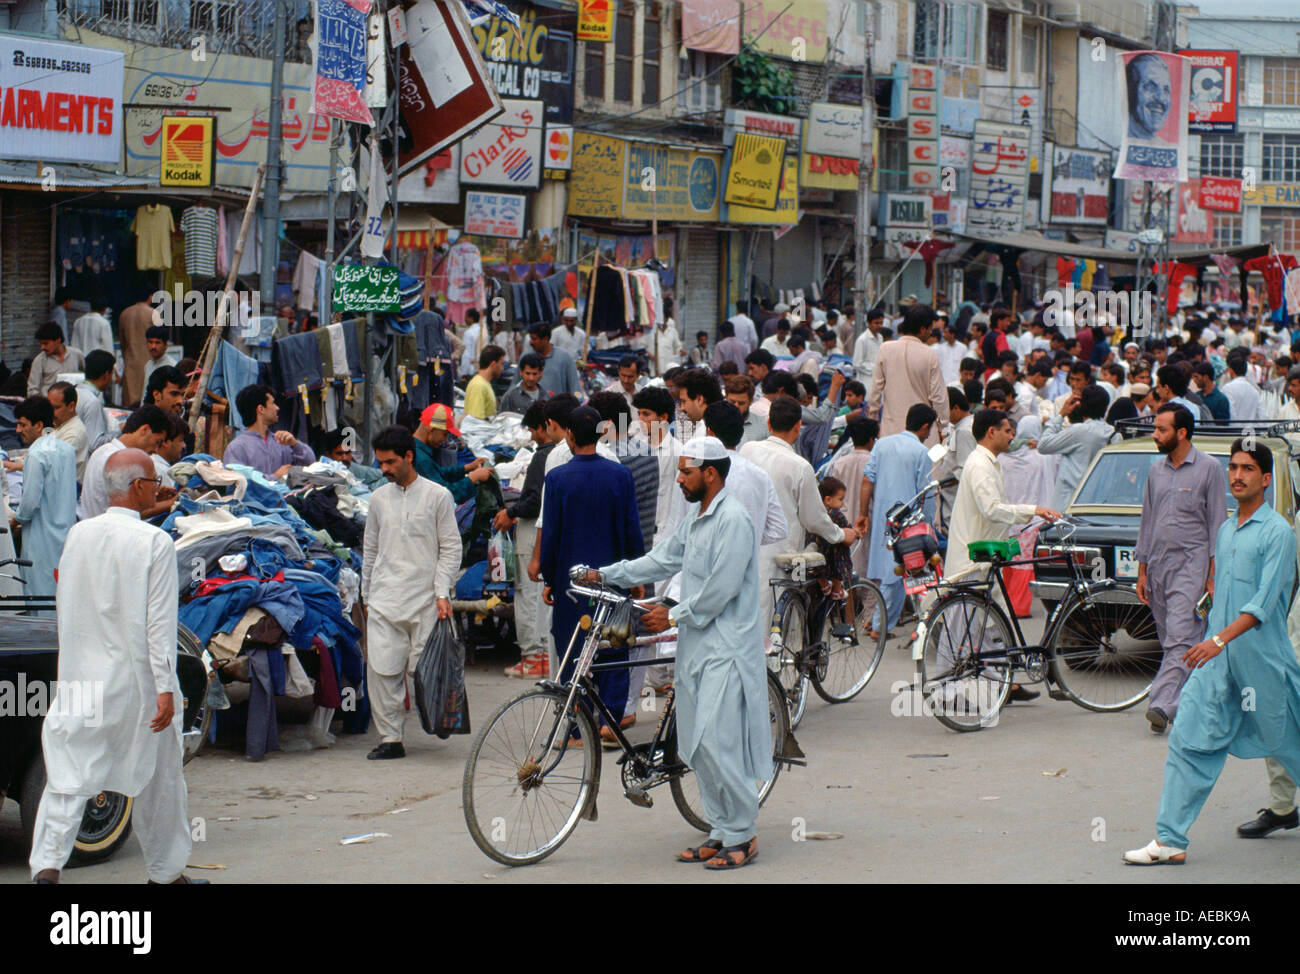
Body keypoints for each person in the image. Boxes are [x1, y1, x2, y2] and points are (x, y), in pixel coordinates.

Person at [592, 435, 771, 869]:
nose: (679, 478)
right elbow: (659, 560)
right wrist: (607, 574)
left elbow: (721, 590)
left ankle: (742, 834)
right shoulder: (697, 519)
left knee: (718, 740)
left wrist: (672, 615)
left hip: (727, 649)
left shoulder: (734, 520)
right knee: (693, 744)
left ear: (710, 473)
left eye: (685, 471)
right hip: (695, 646)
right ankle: (720, 827)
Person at [30, 449, 205, 885]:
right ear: (137, 487)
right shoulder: (153, 542)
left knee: (68, 778)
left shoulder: (79, 535)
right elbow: (159, 624)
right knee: (159, 781)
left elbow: (69, 609)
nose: (158, 489)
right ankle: (166, 874)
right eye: (153, 482)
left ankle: (46, 870)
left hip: (82, 682)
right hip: (138, 685)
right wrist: (167, 687)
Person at [1124, 440, 1300, 866]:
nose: (1237, 476)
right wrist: (1208, 623)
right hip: (1218, 665)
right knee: (1188, 739)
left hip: (1264, 666)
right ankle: (1170, 839)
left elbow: (1260, 605)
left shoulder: (1279, 533)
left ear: (1265, 478)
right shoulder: (1225, 529)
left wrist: (1218, 639)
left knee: (1290, 745)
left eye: (1247, 469)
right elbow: (1221, 594)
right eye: (1233, 468)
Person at [539, 406, 644, 737]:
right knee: (614, 645)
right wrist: (636, 573)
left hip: (572, 581)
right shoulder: (619, 475)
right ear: (601, 435)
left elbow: (552, 535)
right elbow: (631, 529)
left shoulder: (556, 479)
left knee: (572, 648)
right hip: (612, 578)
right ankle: (609, 722)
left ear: (569, 435)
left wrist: (549, 577)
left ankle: (574, 725)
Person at [361, 426, 462, 759]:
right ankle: (391, 739)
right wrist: (366, 594)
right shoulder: (378, 499)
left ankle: (438, 717)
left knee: (427, 670)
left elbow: (450, 547)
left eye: (390, 462)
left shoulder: (438, 496)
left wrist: (442, 591)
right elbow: (371, 549)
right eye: (381, 464)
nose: (384, 469)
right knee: (383, 669)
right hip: (384, 598)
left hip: (425, 599)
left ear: (408, 456)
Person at [1136, 405, 1227, 734]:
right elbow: (1147, 520)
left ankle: (1161, 704)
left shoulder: (1209, 469)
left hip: (1192, 565)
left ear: (1182, 433)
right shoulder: (1156, 471)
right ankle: (1194, 700)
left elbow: (1218, 525)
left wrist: (1213, 575)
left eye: (1161, 430)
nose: (1155, 435)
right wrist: (1142, 570)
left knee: (1180, 637)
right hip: (1159, 565)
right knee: (1170, 638)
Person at [741, 397, 860, 624]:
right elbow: (814, 519)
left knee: (752, 618)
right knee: (780, 618)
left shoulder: (748, 450)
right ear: (798, 427)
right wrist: (841, 534)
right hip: (784, 557)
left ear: (768, 424)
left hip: (746, 549)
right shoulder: (800, 466)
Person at [861, 405, 937, 635]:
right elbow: (926, 492)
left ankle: (876, 621)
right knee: (899, 573)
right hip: (908, 522)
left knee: (889, 572)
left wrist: (863, 513)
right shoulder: (921, 452)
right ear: (925, 427)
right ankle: (879, 627)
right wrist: (929, 524)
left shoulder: (882, 444)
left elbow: (867, 480)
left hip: (883, 518)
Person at [494, 402, 555, 679]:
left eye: (534, 430)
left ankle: (532, 658)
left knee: (527, 594)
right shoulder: (562, 453)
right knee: (540, 596)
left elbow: (532, 501)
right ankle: (541, 654)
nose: (532, 436)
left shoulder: (544, 456)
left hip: (533, 530)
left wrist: (511, 511)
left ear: (546, 425)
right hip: (550, 530)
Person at [8, 397, 76, 605]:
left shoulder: (37, 454)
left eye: (23, 424)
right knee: (60, 594)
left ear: (39, 426)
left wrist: (15, 519)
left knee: (38, 596)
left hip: (41, 538)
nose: (18, 430)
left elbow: (29, 503)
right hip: (65, 534)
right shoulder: (66, 449)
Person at [867, 304, 949, 446]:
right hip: (923, 431)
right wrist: (943, 427)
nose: (931, 333)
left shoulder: (885, 349)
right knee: (928, 467)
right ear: (923, 329)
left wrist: (873, 418)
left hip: (891, 429)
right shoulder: (929, 354)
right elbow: (938, 397)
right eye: (930, 329)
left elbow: (875, 390)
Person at [80, 406, 173, 520]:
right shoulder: (118, 460)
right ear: (145, 430)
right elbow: (126, 512)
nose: (156, 450)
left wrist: (152, 498)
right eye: (157, 442)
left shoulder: (104, 451)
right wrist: (172, 502)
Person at [1036, 385, 1115, 511]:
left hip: (1068, 503)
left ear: (1081, 405)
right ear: (1106, 408)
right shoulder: (1114, 434)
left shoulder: (1079, 431)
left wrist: (1061, 414)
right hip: (1099, 503)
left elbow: (1043, 445)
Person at [222, 385, 315, 478]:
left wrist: (295, 444)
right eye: (273, 403)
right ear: (261, 409)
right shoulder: (236, 448)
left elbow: (311, 465)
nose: (277, 408)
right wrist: (274, 477)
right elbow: (237, 483)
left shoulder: (281, 441)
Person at [412, 403, 494, 503]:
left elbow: (440, 473)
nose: (446, 439)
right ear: (431, 429)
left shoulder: (418, 449)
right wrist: (474, 477)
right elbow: (446, 494)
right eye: (444, 434)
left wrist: (469, 467)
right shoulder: (421, 458)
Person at [828, 416, 878, 579]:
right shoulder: (874, 462)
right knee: (867, 573)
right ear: (872, 439)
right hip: (867, 522)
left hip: (843, 523)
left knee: (846, 575)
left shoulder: (839, 463)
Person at [936, 387, 976, 527]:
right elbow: (944, 451)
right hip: (949, 494)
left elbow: (965, 468)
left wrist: (943, 482)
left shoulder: (965, 430)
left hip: (955, 494)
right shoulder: (958, 428)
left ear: (956, 408)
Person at [27, 323, 86, 398]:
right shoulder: (39, 360)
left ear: (58, 340)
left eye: (46, 343)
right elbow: (32, 390)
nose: (42, 347)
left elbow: (89, 377)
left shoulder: (77, 354)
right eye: (41, 344)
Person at [47, 381, 89, 482]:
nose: (51, 412)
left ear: (71, 406)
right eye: (49, 407)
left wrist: (19, 465)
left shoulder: (75, 434)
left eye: (56, 408)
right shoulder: (59, 424)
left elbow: (50, 467)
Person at [1126, 52, 1172, 141]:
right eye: (1150, 87)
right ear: (1130, 91)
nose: (1161, 98)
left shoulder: (1163, 145)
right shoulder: (1117, 136)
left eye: (1166, 90)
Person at [528, 323, 582, 397]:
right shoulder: (526, 357)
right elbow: (515, 385)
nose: (530, 342)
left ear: (545, 339)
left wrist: (578, 401)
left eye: (534, 339)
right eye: (530, 339)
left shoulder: (564, 357)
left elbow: (575, 386)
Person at [76, 349, 115, 450]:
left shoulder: (75, 391)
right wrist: (119, 432)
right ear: (106, 375)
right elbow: (95, 444)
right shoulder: (92, 402)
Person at [321, 428, 386, 488]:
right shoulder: (324, 474)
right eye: (339, 453)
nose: (344, 458)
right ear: (328, 454)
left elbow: (376, 473)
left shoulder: (350, 466)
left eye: (347, 453)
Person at [464, 344, 504, 420]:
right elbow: (476, 420)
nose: (502, 368)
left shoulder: (483, 384)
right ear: (493, 364)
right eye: (501, 363)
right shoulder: (479, 386)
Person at [1220, 350, 1262, 421]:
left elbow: (1231, 413)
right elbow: (1261, 414)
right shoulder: (1254, 390)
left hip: (1235, 430)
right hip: (1251, 430)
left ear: (1231, 370)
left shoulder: (1227, 388)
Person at [141, 325, 177, 392]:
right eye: (150, 342)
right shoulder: (148, 365)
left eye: (157, 343)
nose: (153, 346)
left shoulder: (172, 366)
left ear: (166, 345)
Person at [853, 308, 885, 384]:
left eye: (881, 323)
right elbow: (857, 364)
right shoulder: (862, 339)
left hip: (878, 379)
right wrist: (874, 369)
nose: (879, 326)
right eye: (876, 323)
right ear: (869, 323)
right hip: (865, 380)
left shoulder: (880, 338)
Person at [648, 311, 684, 376]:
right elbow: (644, 346)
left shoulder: (673, 331)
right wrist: (648, 353)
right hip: (655, 366)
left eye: (662, 318)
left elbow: (678, 346)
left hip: (668, 364)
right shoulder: (651, 331)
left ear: (667, 319)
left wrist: (681, 350)